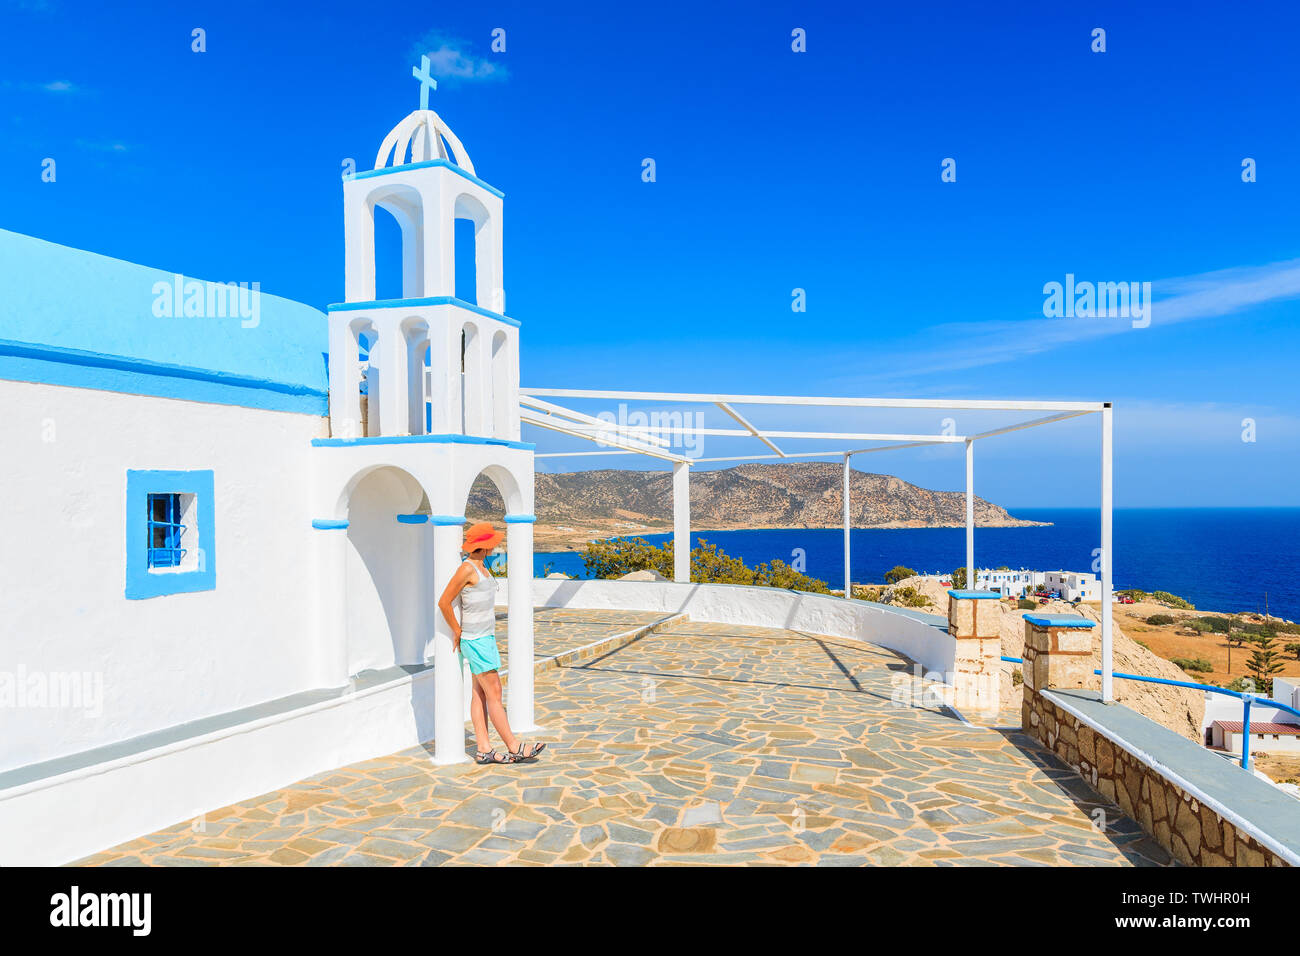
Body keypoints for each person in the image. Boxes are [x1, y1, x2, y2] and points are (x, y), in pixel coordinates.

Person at [437, 522, 546, 765]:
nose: (495, 547)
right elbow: (444, 602)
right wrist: (457, 630)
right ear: (484, 545)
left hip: (485, 638)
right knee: (495, 693)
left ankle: (484, 750)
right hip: (475, 640)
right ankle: (515, 746)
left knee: (481, 694)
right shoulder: (466, 569)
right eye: (491, 543)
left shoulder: (481, 567)